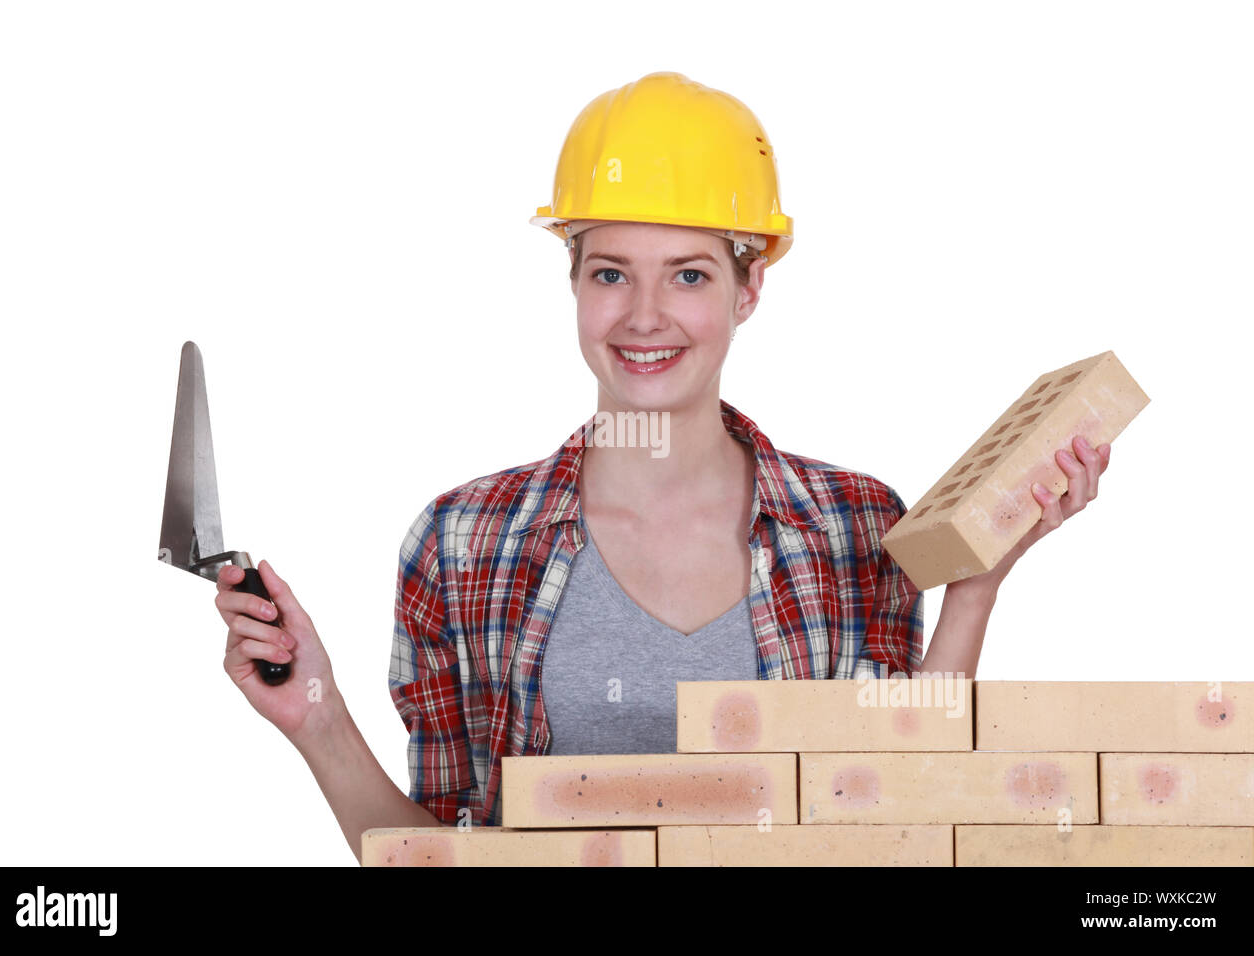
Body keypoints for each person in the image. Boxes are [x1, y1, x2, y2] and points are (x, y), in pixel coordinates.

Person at [214, 72, 1111, 861]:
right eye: (611, 274)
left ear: (748, 289)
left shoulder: (857, 525)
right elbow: (436, 860)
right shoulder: (462, 543)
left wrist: (976, 587)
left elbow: (900, 813)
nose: (644, 316)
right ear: (573, 283)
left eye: (687, 275)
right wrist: (318, 720)